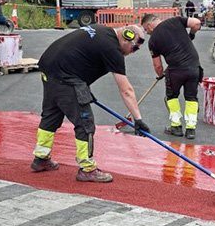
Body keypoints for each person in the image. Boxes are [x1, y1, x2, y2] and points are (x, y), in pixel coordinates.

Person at [31, 24, 151, 183]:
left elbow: (81, 55)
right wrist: (138, 120)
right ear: (127, 37)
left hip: (50, 71)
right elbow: (126, 90)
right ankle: (87, 169)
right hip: (66, 78)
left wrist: (83, 88)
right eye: (134, 48)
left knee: (51, 117)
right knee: (85, 124)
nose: (132, 52)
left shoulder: (101, 30)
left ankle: (41, 159)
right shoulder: (112, 49)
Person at [141, 12, 203, 140]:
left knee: (171, 97)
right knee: (191, 97)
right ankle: (191, 130)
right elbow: (196, 23)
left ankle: (176, 127)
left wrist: (160, 74)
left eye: (146, 30)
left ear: (150, 25)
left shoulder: (153, 41)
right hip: (194, 67)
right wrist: (191, 35)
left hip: (175, 71)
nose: (147, 33)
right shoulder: (176, 21)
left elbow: (157, 65)